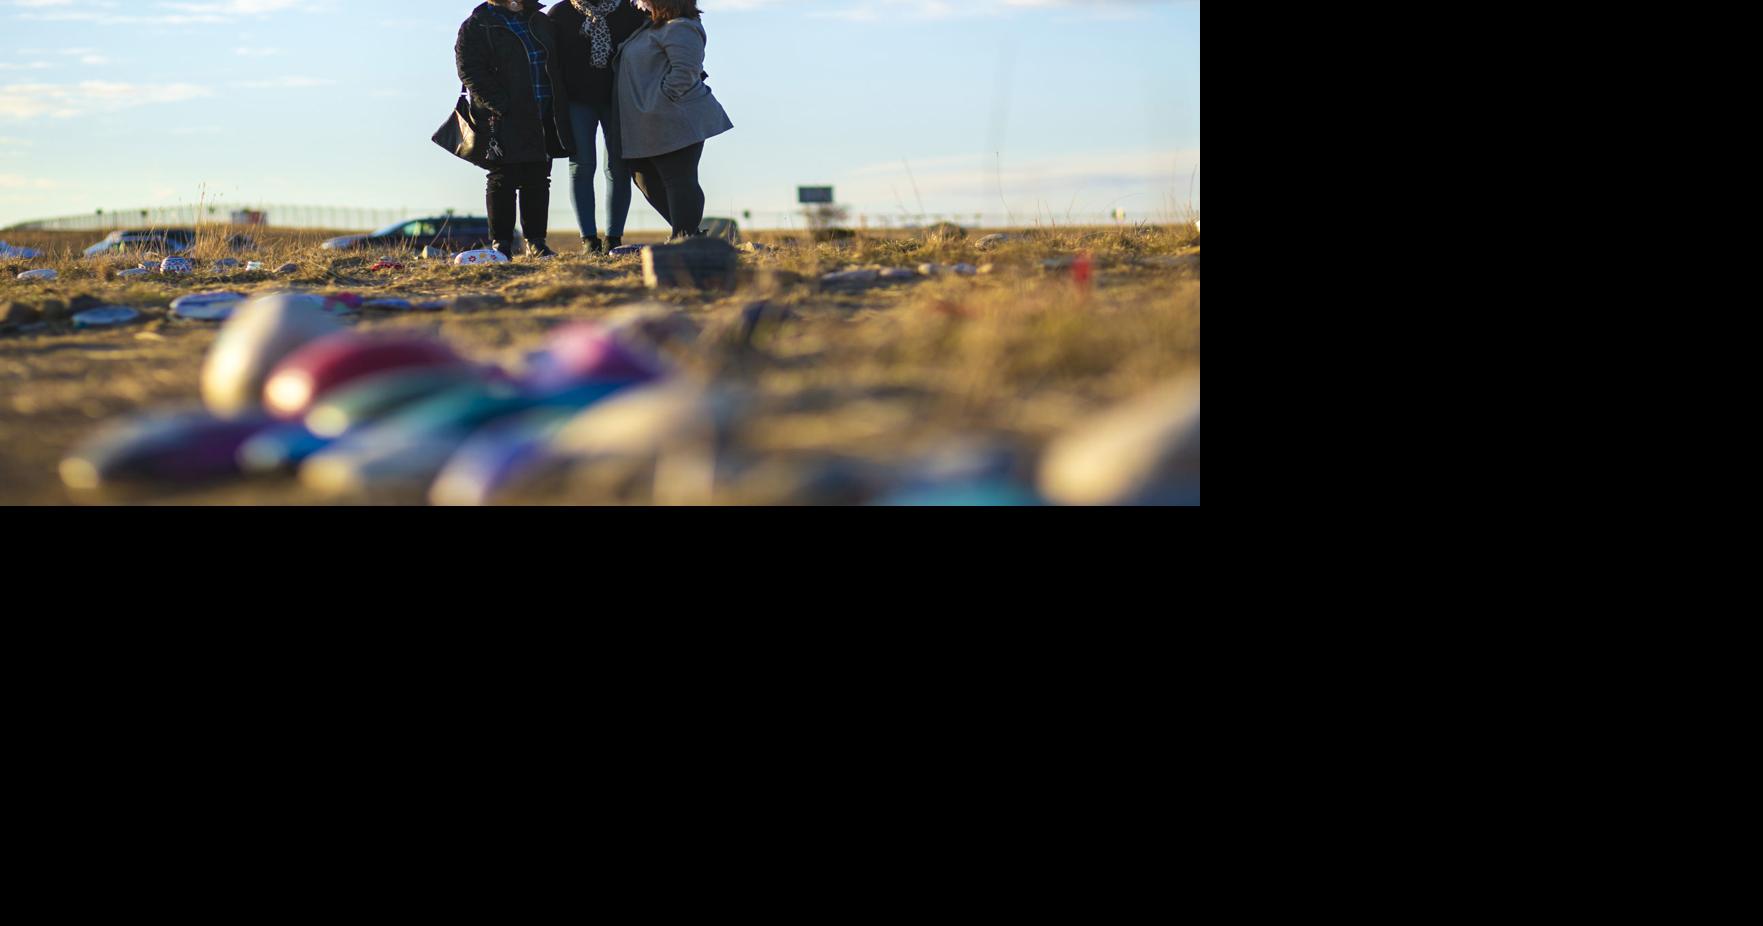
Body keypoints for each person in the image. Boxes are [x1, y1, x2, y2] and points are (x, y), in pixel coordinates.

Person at [455, 0, 575, 259]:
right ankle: (502, 244)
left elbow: (560, 62)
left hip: (545, 112)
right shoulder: (477, 25)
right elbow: (470, 71)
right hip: (502, 116)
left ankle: (536, 242)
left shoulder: (540, 21)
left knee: (539, 178)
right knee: (502, 178)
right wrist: (500, 105)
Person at [614, 0, 732, 241]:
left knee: (678, 177)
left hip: (675, 117)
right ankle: (690, 235)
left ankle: (684, 235)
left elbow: (686, 71)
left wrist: (662, 98)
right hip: (646, 122)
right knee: (643, 175)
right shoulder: (649, 28)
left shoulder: (681, 27)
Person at [547, 0, 648, 255]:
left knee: (617, 167)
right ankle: (589, 240)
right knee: (581, 166)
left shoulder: (630, 11)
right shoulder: (560, 13)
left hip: (618, 100)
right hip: (575, 102)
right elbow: (550, 61)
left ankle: (614, 239)